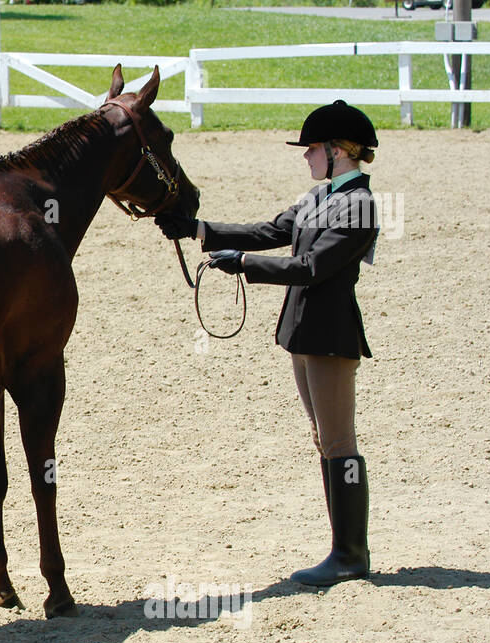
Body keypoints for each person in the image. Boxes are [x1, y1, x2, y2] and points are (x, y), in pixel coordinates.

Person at [156, 100, 379, 587]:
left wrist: (243, 266)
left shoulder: (358, 206)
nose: (305, 157)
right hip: (302, 333)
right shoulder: (320, 197)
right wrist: (199, 230)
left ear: (339, 151)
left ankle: (350, 554)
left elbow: (311, 268)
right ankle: (344, 549)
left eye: (312, 149)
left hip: (330, 336)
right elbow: (272, 230)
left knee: (339, 441)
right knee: (324, 439)